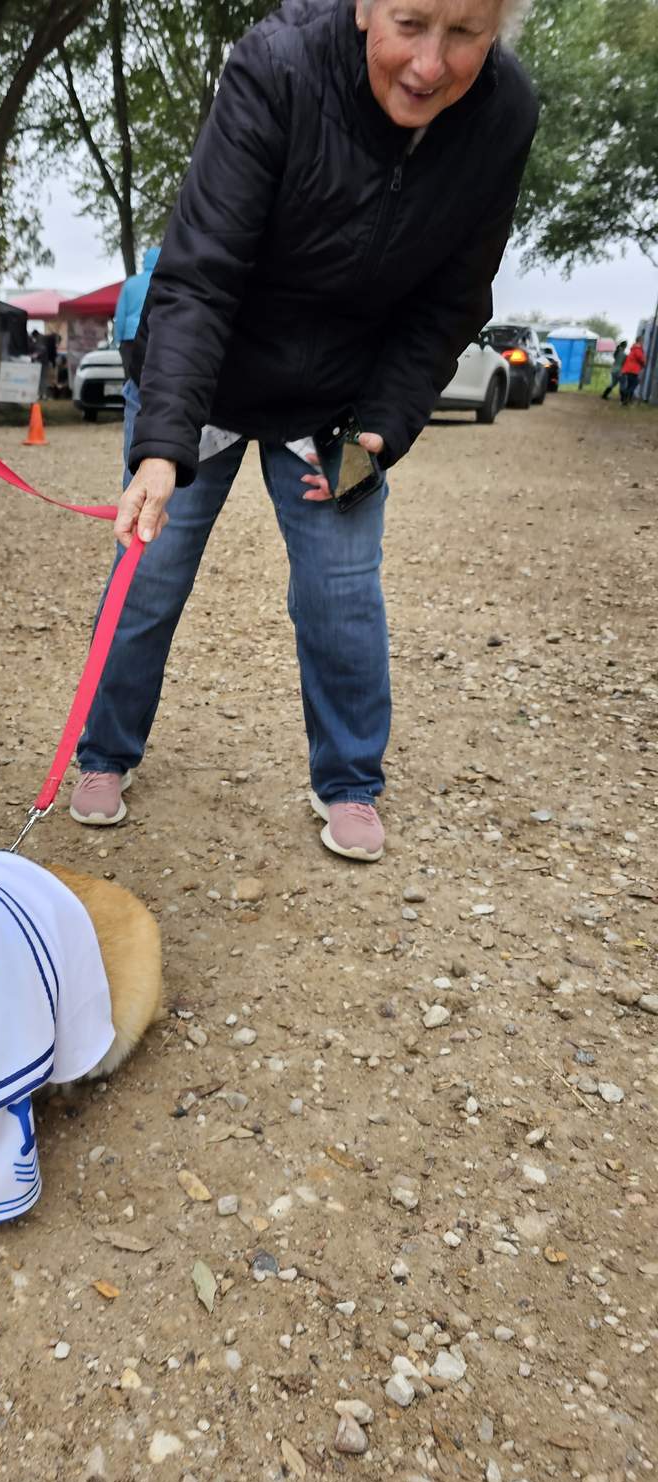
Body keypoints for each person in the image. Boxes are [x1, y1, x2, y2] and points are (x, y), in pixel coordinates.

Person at [69, 0, 538, 863]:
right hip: (207, 375)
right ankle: (102, 753)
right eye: (412, 22)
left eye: (465, 33)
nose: (430, 65)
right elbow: (200, 271)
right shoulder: (275, 65)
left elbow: (454, 300)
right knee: (150, 575)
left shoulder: (505, 114)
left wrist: (382, 430)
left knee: (341, 593)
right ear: (365, 8)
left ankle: (350, 778)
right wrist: (163, 444)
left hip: (337, 399)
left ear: (498, 30)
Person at [113, 246, 160, 375]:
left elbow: (120, 315)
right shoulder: (163, 284)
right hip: (156, 338)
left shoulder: (130, 283)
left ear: (144, 261)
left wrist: (118, 339)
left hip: (130, 339)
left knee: (131, 380)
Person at [619, 337, 646, 405]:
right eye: (642, 341)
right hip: (633, 370)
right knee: (633, 384)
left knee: (630, 385)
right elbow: (640, 358)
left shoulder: (633, 348)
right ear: (640, 341)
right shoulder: (637, 348)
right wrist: (644, 362)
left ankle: (625, 400)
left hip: (629, 369)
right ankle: (625, 399)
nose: (643, 343)